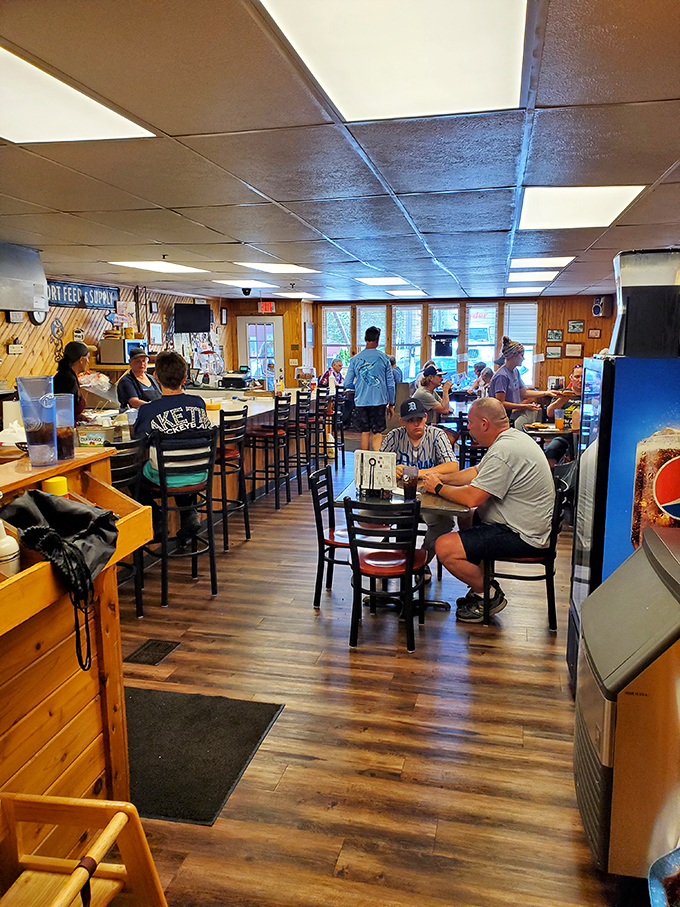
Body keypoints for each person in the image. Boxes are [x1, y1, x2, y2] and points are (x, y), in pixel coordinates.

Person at [423, 397, 555, 623]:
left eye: (471, 424)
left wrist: (437, 487)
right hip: (521, 522)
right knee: (466, 521)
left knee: (444, 546)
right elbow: (475, 472)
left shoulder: (505, 450)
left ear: (484, 423)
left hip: (522, 534)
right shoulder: (511, 439)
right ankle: (480, 587)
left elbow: (472, 498)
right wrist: (441, 477)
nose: (468, 429)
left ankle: (488, 594)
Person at [134, 351, 213, 541]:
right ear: (185, 378)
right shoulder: (198, 403)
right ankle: (189, 514)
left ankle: (156, 515)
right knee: (182, 462)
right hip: (200, 473)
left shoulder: (149, 409)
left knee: (134, 477)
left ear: (156, 377)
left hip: (166, 476)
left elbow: (140, 439)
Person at [380, 397, 461, 571]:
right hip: (397, 500)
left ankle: (420, 561)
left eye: (420, 419)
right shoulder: (394, 436)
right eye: (410, 421)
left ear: (426, 417)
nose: (416, 424)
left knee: (445, 523)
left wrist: (416, 474)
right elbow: (379, 464)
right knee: (371, 516)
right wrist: (391, 468)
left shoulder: (436, 435)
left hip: (428, 498)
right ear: (402, 421)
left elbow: (453, 466)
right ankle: (388, 564)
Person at [344, 326, 395, 451]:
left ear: (365, 339)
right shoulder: (384, 358)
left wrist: (359, 386)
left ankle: (364, 463)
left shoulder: (355, 359)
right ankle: (377, 460)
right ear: (378, 340)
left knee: (364, 432)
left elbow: (347, 383)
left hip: (361, 400)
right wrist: (392, 403)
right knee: (377, 432)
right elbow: (391, 383)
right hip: (379, 401)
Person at [488, 336, 552, 427]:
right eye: (521, 355)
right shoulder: (502, 376)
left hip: (507, 414)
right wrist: (525, 406)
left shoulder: (515, 371)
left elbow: (524, 393)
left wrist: (547, 393)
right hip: (497, 417)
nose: (523, 359)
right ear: (513, 356)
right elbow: (500, 403)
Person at [544, 364, 583, 467]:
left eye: (583, 377)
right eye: (577, 377)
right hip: (563, 436)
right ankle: (552, 479)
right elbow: (549, 413)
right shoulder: (562, 394)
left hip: (584, 437)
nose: (580, 380)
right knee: (550, 452)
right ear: (571, 378)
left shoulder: (592, 396)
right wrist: (562, 400)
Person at [53, 340, 90, 423]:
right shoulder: (67, 379)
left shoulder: (68, 375)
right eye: (87, 358)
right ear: (81, 359)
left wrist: (79, 417)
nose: (88, 361)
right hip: (64, 429)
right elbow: (62, 411)